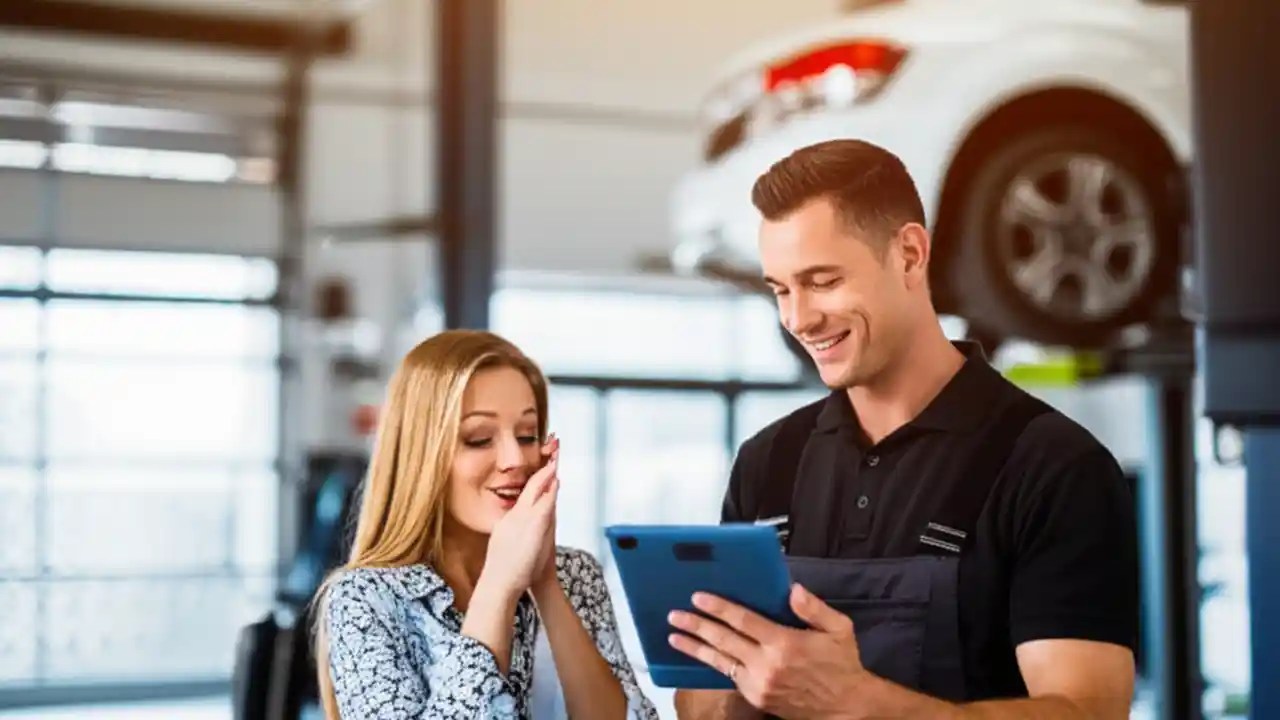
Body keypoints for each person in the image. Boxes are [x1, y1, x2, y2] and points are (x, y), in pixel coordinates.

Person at [671, 139, 1139, 719]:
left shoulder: (1054, 466)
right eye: (781, 290)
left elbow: (1088, 712)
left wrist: (857, 702)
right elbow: (697, 705)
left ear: (911, 254)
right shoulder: (768, 462)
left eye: (822, 280)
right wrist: (729, 688)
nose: (798, 319)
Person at [313, 330, 658, 719]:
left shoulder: (576, 574)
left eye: (527, 435)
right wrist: (499, 585)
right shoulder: (365, 599)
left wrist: (545, 582)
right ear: (421, 457)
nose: (516, 458)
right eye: (479, 439)